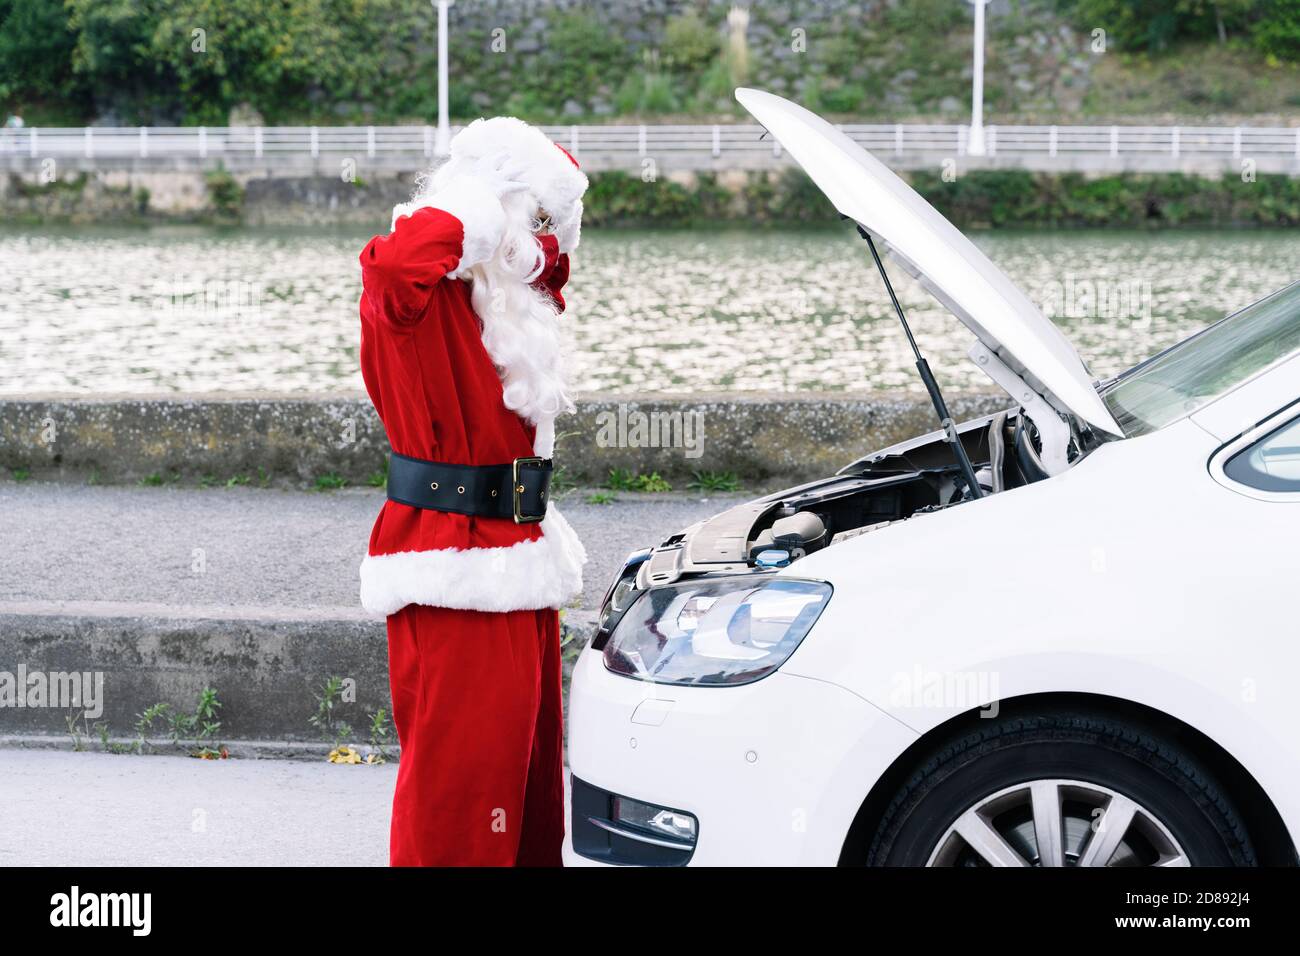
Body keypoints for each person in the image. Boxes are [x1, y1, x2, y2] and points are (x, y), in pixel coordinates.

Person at [356, 117, 588, 866]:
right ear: (492, 213)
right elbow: (394, 269)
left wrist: (536, 218)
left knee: (527, 799)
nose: (549, 244)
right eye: (539, 220)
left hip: (519, 560)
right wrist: (478, 204)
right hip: (451, 562)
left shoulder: (499, 303)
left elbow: (547, 269)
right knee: (458, 803)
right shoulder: (416, 300)